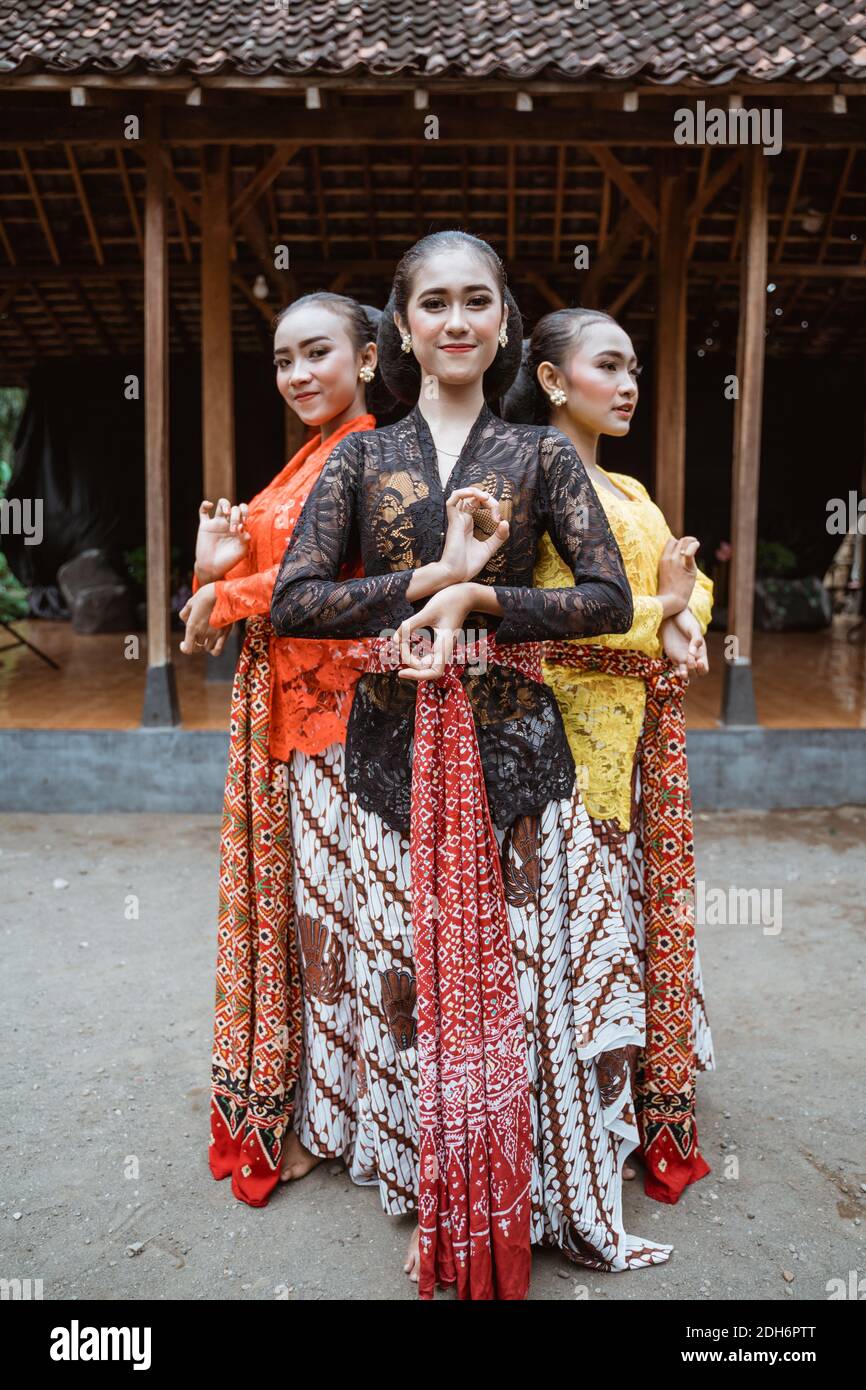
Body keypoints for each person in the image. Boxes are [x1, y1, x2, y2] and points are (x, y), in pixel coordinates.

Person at [270, 230, 672, 1300]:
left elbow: (606, 600)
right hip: (390, 751)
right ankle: (433, 1183)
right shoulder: (361, 457)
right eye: (433, 303)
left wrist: (482, 598)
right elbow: (294, 599)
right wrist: (427, 579)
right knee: (413, 976)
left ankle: (517, 1188)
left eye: (477, 303)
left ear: (501, 326)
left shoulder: (538, 456)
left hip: (514, 750)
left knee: (512, 982)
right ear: (400, 327)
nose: (455, 321)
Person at [502, 307, 715, 1205]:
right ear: (553, 380)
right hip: (560, 739)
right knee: (565, 936)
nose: (629, 384)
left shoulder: (629, 491)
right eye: (610, 366)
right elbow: (528, 614)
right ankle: (562, 1130)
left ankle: (626, 1110)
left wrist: (689, 623)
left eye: (635, 368)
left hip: (642, 740)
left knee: (624, 925)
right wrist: (661, 619)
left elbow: (688, 573)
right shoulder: (529, 478)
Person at [179, 293, 383, 1206]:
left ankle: (350, 1127)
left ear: (369, 359)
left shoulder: (372, 452)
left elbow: (328, 576)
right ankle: (318, 1114)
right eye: (283, 359)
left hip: (341, 719)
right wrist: (212, 569)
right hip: (284, 714)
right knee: (309, 921)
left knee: (339, 925)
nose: (298, 374)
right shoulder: (304, 459)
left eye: (317, 354)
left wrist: (218, 596)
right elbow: (249, 585)